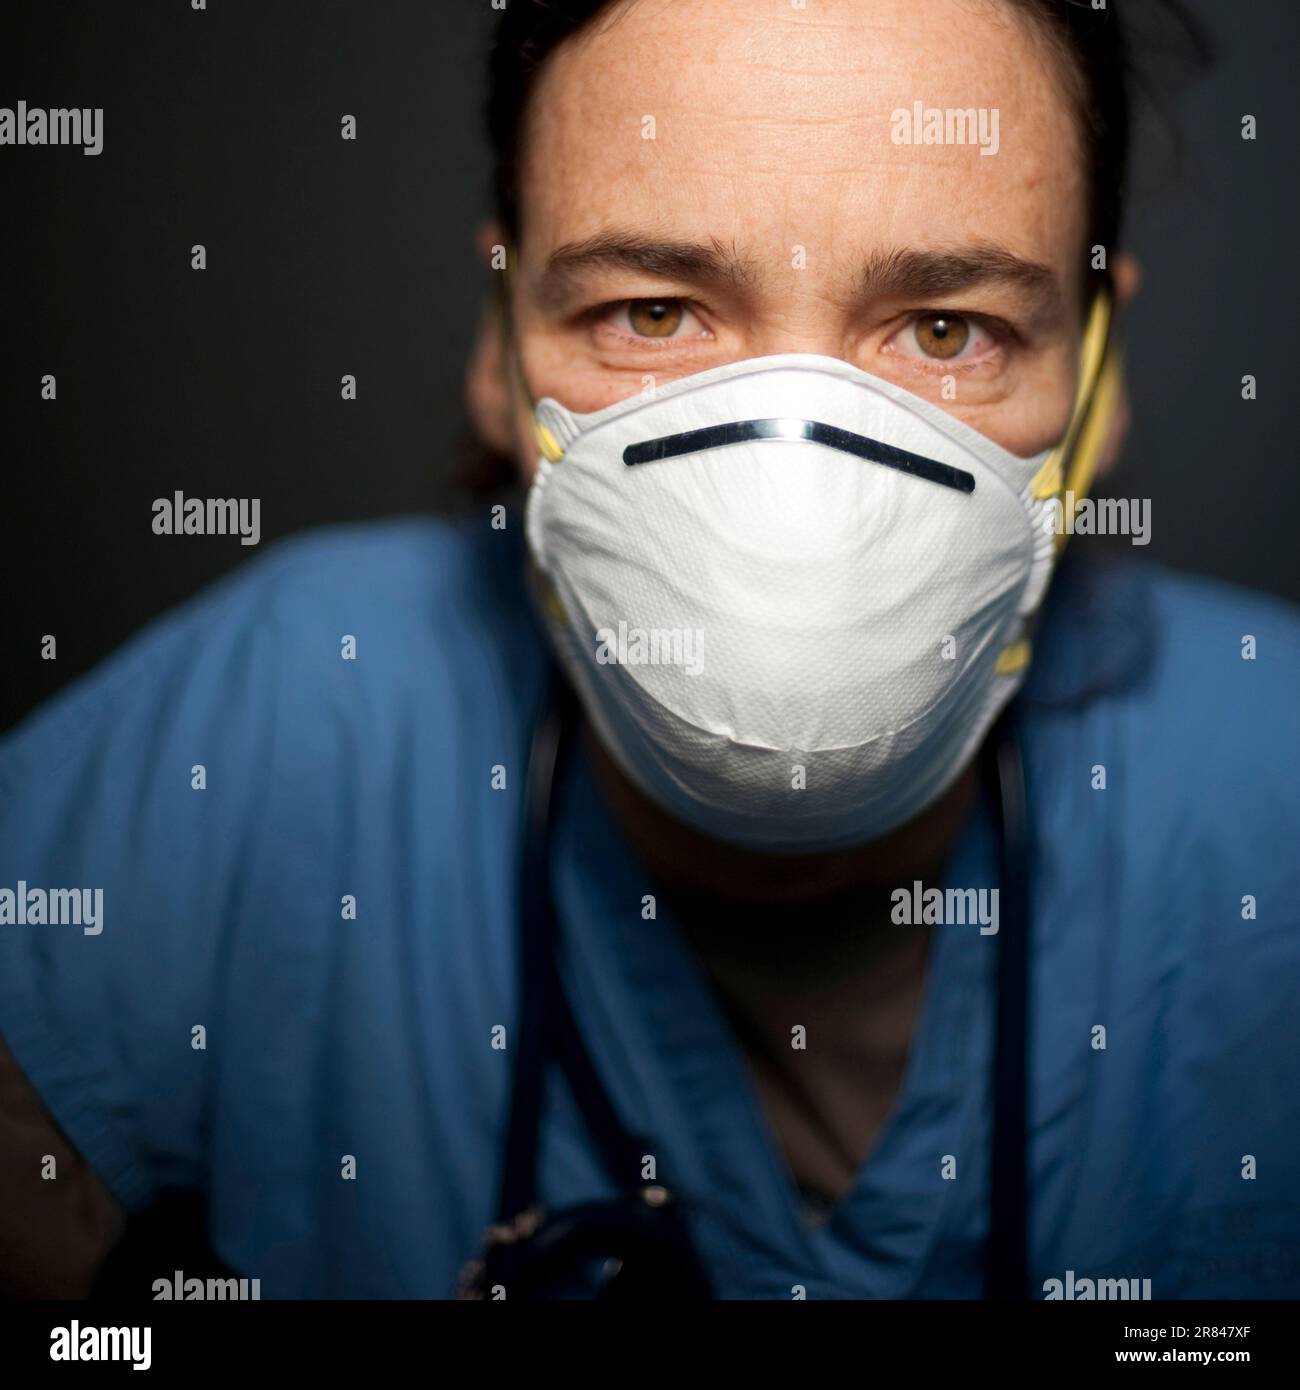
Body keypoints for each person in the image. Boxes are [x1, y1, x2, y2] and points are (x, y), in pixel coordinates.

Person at [2, 0, 1298, 1300]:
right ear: (501, 352)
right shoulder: (287, 714)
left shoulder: (1268, 790)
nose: (796, 492)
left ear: (1101, 373)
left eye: (946, 329)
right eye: (656, 312)